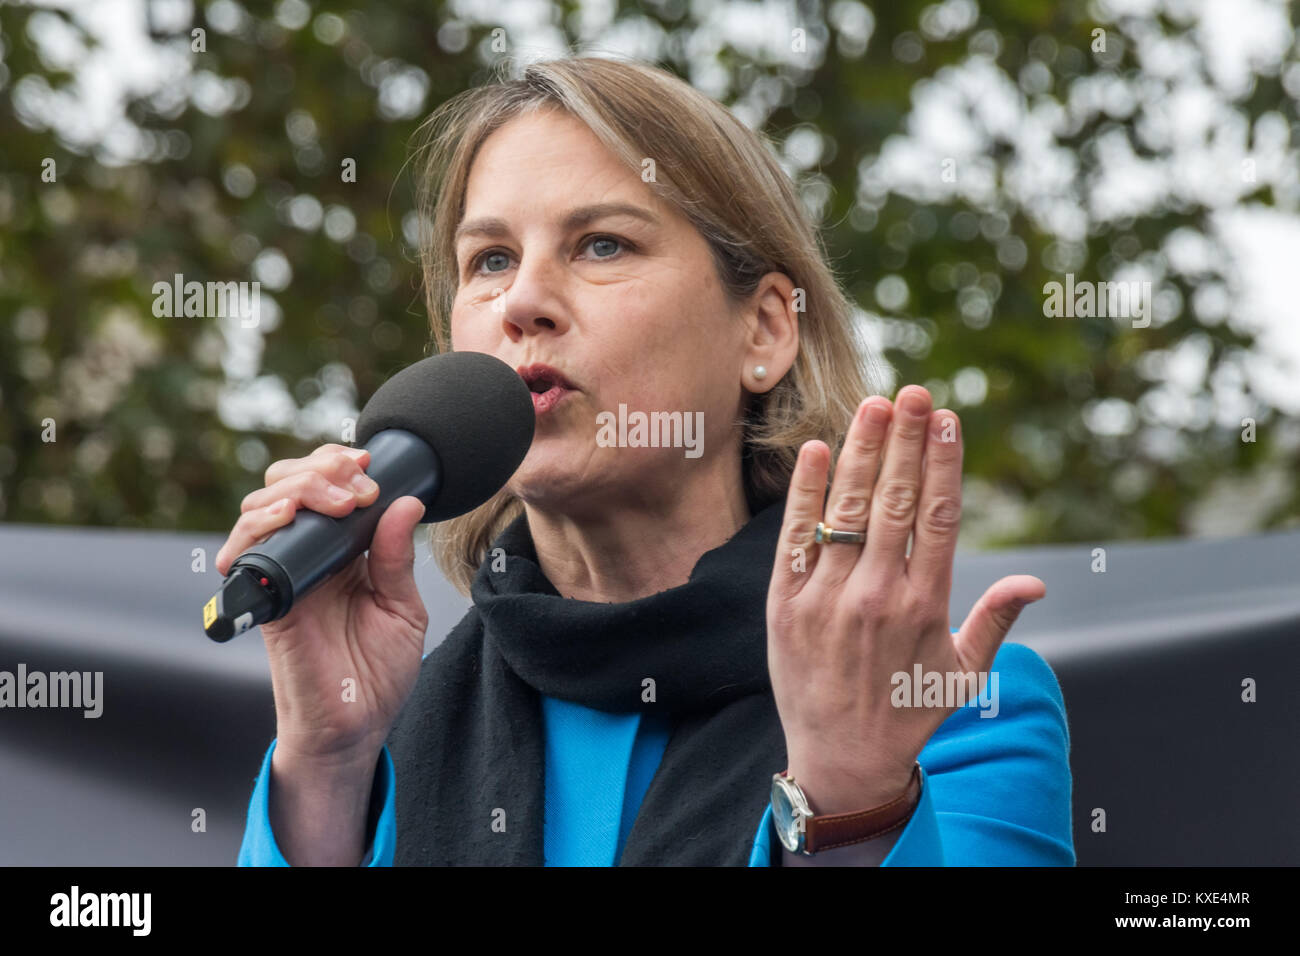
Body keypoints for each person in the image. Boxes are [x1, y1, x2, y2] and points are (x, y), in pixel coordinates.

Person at [228, 54, 1074, 866]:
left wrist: (852, 799)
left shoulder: (950, 698)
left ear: (766, 329)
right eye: (490, 260)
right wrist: (328, 765)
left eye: (601, 245)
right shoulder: (381, 728)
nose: (521, 300)